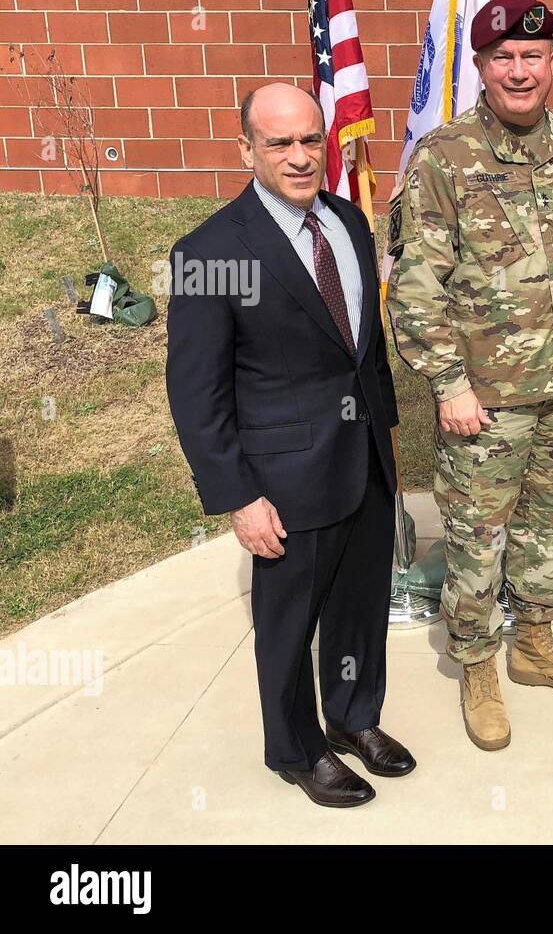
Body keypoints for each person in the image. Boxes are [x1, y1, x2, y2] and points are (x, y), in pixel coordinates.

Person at [166, 82, 413, 809]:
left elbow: (362, 354)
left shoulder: (345, 222)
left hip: (363, 458)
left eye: (311, 139)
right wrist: (237, 495)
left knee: (361, 605)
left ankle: (353, 717)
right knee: (288, 624)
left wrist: (387, 437)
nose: (300, 156)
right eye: (280, 143)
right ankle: (298, 750)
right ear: (247, 149)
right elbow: (196, 391)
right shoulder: (211, 251)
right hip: (284, 476)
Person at [386, 0, 553, 752]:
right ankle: (477, 663)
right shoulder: (444, 157)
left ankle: (537, 642)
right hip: (483, 401)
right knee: (477, 538)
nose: (520, 70)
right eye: (503, 58)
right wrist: (448, 384)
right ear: (482, 67)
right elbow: (416, 282)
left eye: (533, 56)